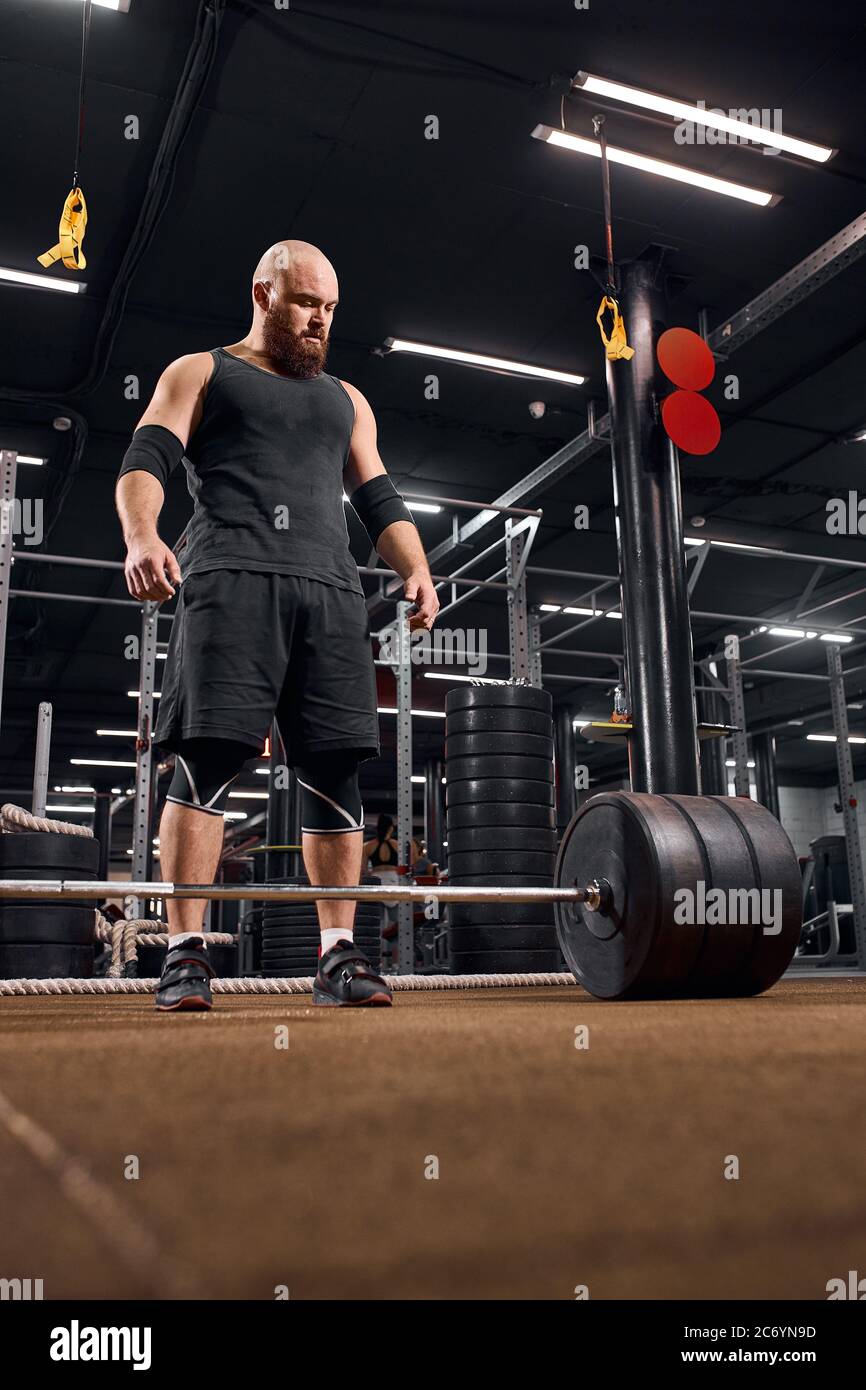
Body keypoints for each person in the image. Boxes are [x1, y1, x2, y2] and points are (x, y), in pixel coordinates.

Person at [115, 239, 439, 1011]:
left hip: (330, 591)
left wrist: (414, 566)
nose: (320, 323)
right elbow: (146, 460)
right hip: (230, 579)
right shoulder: (201, 372)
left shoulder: (346, 399)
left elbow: (380, 499)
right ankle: (186, 953)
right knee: (210, 756)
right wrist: (141, 536)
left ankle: (337, 956)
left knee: (335, 766)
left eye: (329, 311)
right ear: (264, 294)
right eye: (306, 305)